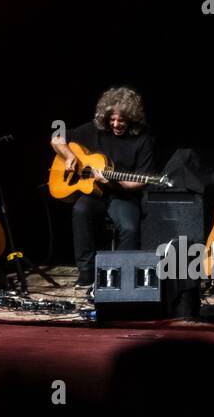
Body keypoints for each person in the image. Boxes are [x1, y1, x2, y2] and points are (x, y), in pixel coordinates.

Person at [51, 86, 157, 289]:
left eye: (122, 120)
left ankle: (119, 277)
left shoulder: (144, 140)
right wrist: (70, 155)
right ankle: (86, 274)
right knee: (80, 210)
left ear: (132, 119)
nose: (116, 124)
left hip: (123, 195)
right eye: (112, 119)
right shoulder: (94, 129)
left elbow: (142, 180)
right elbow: (57, 137)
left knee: (129, 228)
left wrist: (112, 182)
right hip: (93, 194)